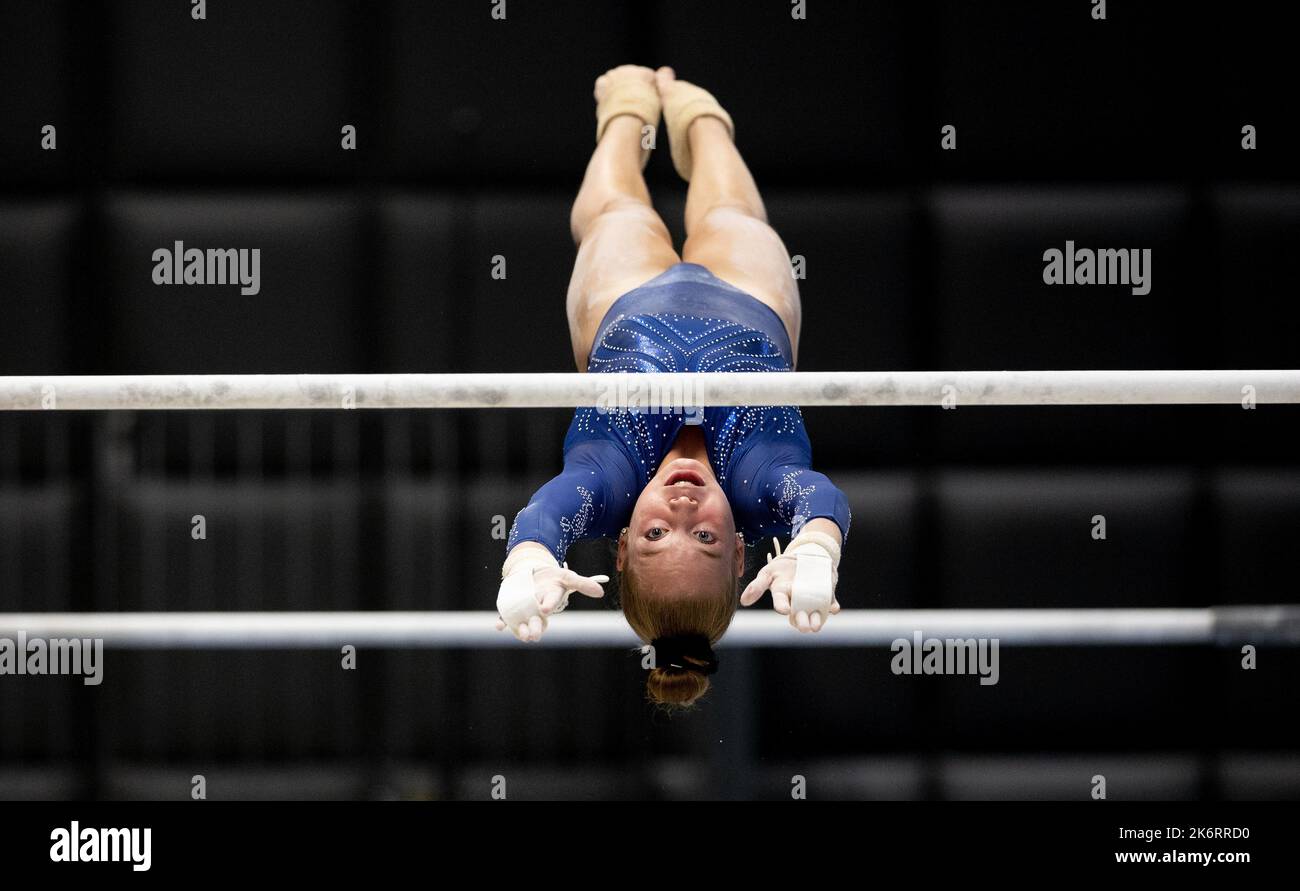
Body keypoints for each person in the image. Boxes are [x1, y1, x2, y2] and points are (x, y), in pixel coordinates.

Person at [495, 66, 851, 708]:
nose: (682, 513)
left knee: (616, 211)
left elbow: (544, 516)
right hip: (750, 301)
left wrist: (527, 558)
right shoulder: (760, 480)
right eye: (707, 539)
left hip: (623, 304)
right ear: (743, 553)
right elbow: (820, 498)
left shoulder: (605, 480)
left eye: (657, 537)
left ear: (624, 548)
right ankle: (699, 114)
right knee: (731, 211)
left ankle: (627, 105)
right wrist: (818, 545)